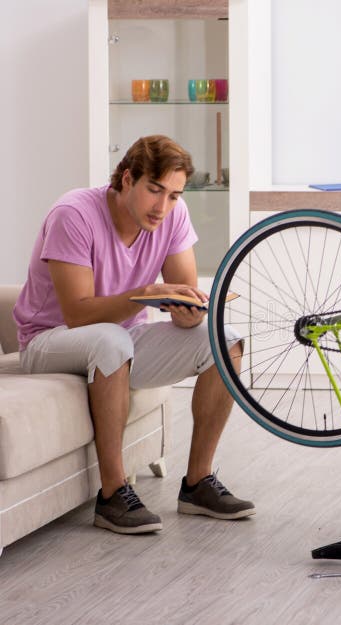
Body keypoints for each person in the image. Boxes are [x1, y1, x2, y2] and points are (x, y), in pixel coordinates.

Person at [13, 135, 254, 535]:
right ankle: (112, 495)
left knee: (223, 340)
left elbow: (183, 302)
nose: (163, 207)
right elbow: (77, 314)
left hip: (121, 340)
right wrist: (148, 295)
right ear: (127, 179)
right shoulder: (73, 214)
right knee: (111, 339)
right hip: (49, 340)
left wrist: (191, 312)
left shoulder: (173, 216)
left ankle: (197, 483)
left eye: (174, 195)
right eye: (154, 190)